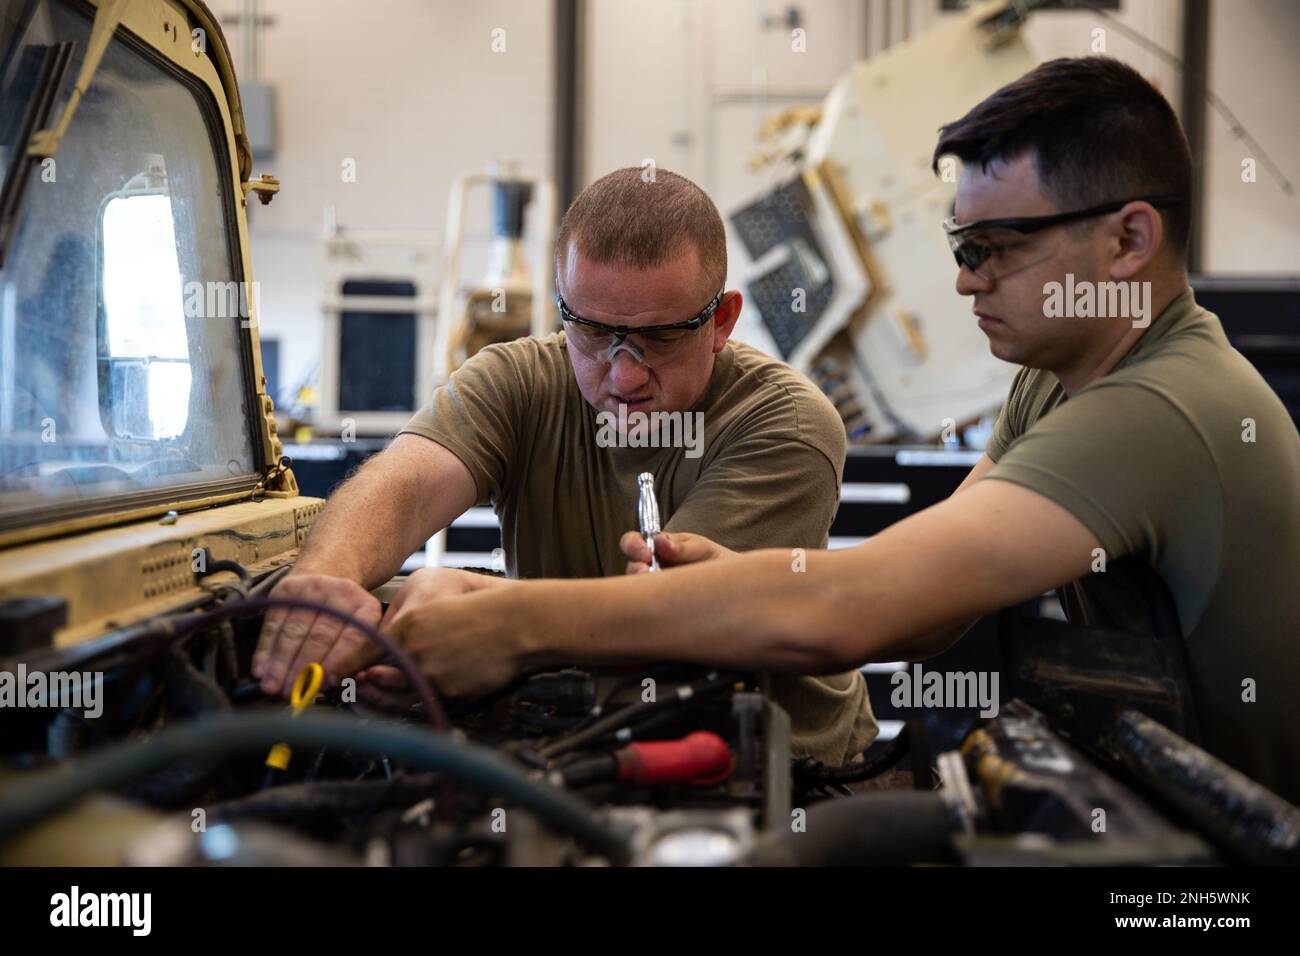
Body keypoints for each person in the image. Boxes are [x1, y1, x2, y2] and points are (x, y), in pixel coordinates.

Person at [356, 58, 1300, 803]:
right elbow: (924, 614)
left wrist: (510, 621)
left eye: (994, 249)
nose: (968, 279)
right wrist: (735, 590)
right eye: (959, 248)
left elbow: (853, 609)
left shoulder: (1155, 408)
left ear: (1128, 241)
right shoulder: (1055, 388)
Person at [255, 166, 879, 766]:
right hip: (571, 735)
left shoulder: (785, 422)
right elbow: (405, 483)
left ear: (720, 321)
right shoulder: (517, 380)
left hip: (771, 764)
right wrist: (327, 581)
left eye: (659, 337)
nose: (624, 373)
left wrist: (484, 615)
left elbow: (676, 619)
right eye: (590, 330)